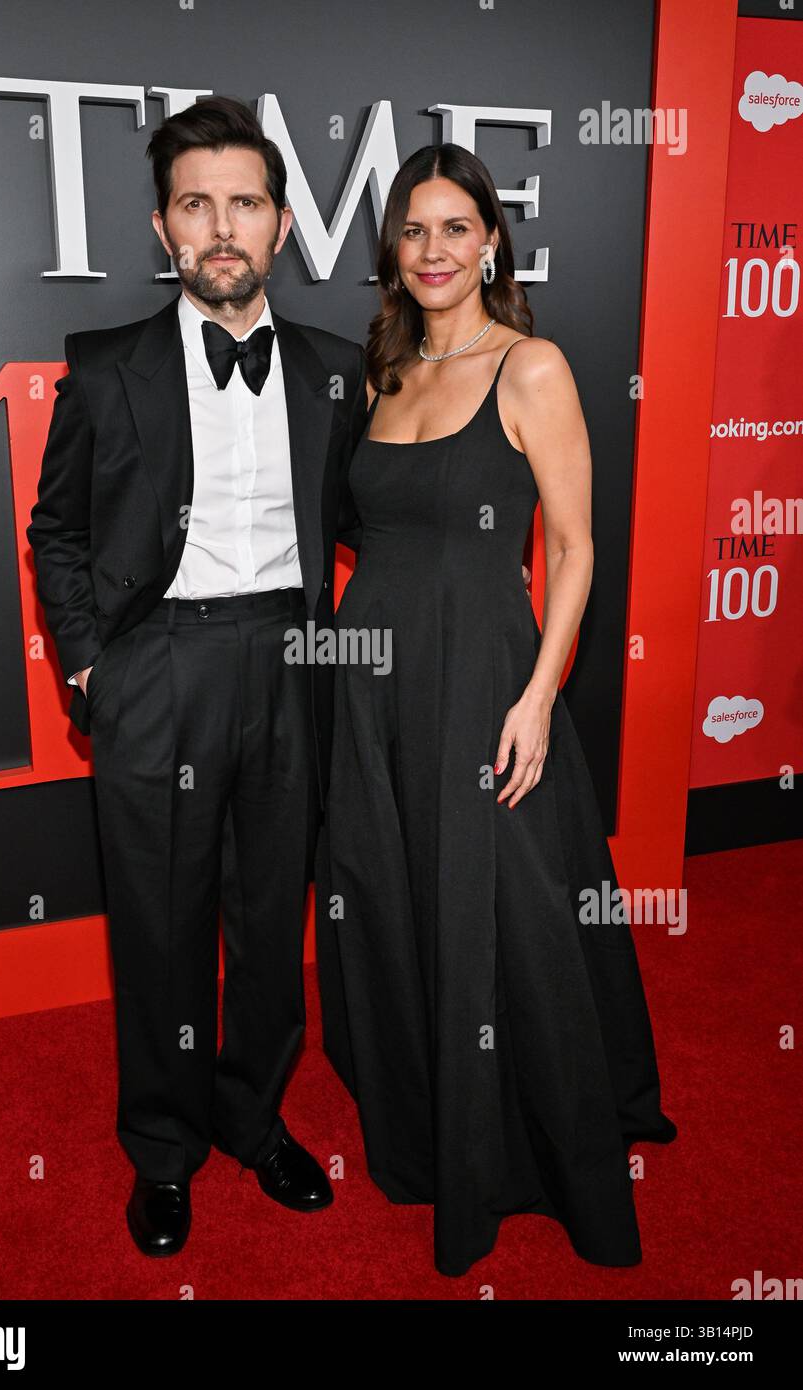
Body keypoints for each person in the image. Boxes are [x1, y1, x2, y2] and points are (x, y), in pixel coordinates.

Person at [315, 142, 677, 1279]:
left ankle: (537, 1138)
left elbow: (569, 549)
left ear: (490, 243)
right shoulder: (381, 372)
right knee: (398, 890)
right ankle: (428, 1116)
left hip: (487, 678)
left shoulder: (531, 367)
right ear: (392, 250)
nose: (432, 251)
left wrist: (537, 693)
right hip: (375, 684)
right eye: (411, 231)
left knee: (507, 911)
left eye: (453, 228)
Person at [27, 96, 369, 1256]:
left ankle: (254, 1114)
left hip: (291, 662)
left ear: (279, 224)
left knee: (272, 919)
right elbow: (55, 530)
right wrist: (87, 667)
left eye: (245, 201)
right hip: (156, 669)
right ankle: (164, 1150)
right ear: (164, 227)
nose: (222, 226)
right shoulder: (107, 370)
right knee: (160, 929)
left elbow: (378, 523)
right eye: (195, 203)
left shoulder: (332, 372)